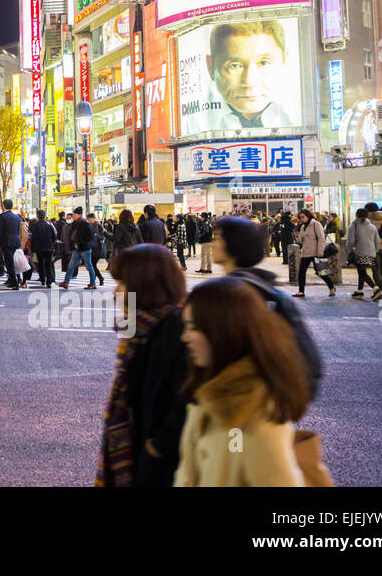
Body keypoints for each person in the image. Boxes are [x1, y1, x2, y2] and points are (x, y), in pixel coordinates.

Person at [173, 277, 311, 486]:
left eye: (193, 327)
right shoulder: (210, 391)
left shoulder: (257, 415)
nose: (185, 337)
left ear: (223, 331)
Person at [97, 244, 188, 487]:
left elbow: (187, 400)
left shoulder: (176, 328)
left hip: (166, 468)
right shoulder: (140, 329)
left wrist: (156, 448)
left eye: (123, 283)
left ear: (144, 286)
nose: (116, 291)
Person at [211, 215, 322, 400]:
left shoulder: (230, 295)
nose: (212, 244)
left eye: (218, 238)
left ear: (234, 244)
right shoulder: (269, 291)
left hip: (239, 406)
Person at [293, 209, 334, 298]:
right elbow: (301, 240)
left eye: (303, 217)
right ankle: (301, 291)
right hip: (306, 252)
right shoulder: (303, 226)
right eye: (300, 217)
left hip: (316, 252)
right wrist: (297, 235)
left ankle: (331, 288)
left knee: (321, 272)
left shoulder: (316, 224)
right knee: (301, 272)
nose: (302, 219)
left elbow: (321, 238)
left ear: (308, 215)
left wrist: (320, 251)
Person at [344, 208, 382, 301]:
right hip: (371, 253)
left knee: (362, 273)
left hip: (360, 252)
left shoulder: (354, 226)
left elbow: (350, 241)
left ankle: (376, 289)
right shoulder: (372, 226)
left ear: (356, 215)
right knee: (361, 271)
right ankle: (359, 291)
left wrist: (350, 251)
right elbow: (377, 241)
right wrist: (374, 251)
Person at [60, 207, 97, 289]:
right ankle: (66, 282)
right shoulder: (75, 223)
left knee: (89, 266)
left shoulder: (84, 223)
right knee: (71, 265)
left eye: (74, 214)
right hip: (76, 248)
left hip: (84, 248)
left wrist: (83, 243)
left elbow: (90, 236)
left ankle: (93, 283)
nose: (73, 215)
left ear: (79, 215)